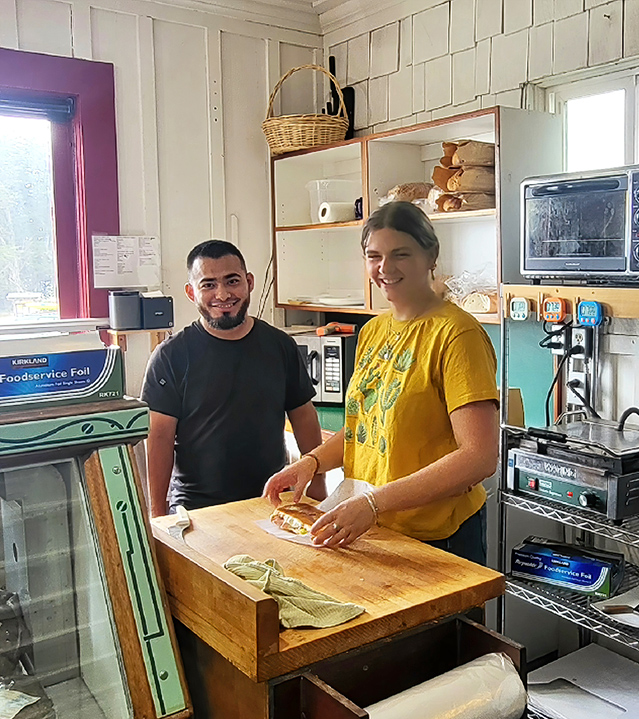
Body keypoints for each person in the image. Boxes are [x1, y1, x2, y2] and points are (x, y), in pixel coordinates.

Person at [264, 202, 499, 564]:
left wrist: (374, 503)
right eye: (374, 256)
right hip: (375, 528)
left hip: (438, 539)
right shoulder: (373, 331)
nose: (385, 268)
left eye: (400, 254)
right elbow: (365, 428)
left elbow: (479, 457)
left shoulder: (457, 335)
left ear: (431, 255)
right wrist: (310, 463)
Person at [141, 239, 325, 517]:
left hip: (272, 501)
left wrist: (318, 485)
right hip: (196, 509)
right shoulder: (170, 356)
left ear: (249, 282)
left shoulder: (280, 346)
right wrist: (157, 513)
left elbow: (304, 418)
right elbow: (159, 438)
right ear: (191, 293)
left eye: (232, 281)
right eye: (208, 285)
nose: (223, 294)